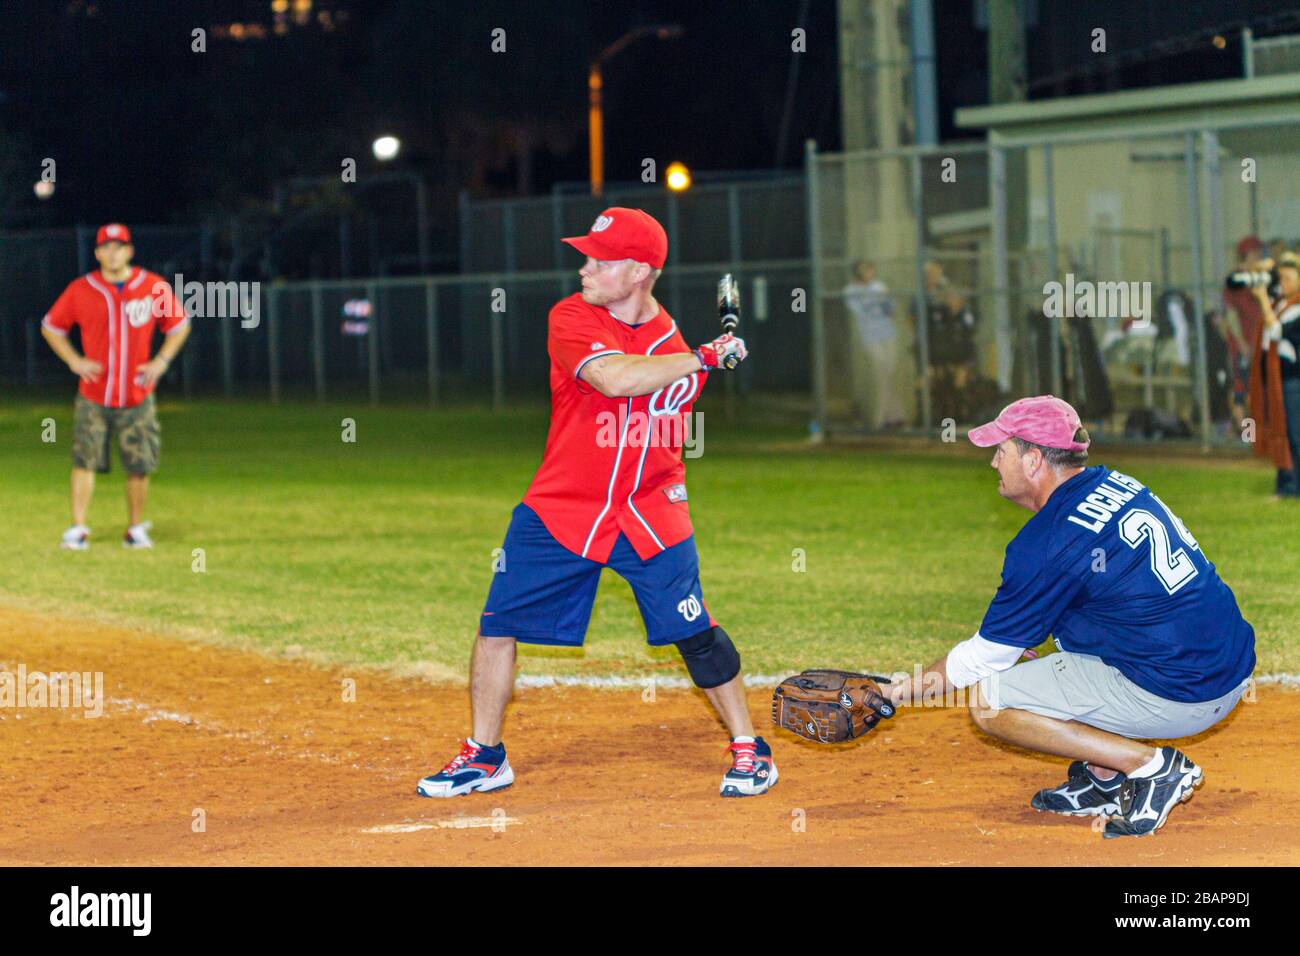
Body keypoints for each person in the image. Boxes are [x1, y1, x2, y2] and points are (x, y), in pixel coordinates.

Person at [417, 207, 776, 799]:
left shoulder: (671, 341)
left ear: (638, 271)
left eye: (599, 260)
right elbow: (614, 378)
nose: (584, 268)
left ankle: (748, 746)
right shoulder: (571, 317)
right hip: (563, 504)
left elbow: (665, 416)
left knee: (694, 633)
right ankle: (484, 756)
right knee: (497, 623)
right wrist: (707, 357)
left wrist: (697, 358)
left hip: (649, 508)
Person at [881, 395, 1256, 838]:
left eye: (1001, 451)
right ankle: (1103, 782)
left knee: (989, 701)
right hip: (1224, 665)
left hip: (1184, 691)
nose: (993, 463)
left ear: (1034, 459)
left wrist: (895, 692)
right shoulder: (1115, 483)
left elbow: (980, 660)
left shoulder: (1047, 543)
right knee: (1046, 658)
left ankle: (1152, 768)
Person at [40, 224, 191, 550]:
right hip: (94, 393)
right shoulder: (81, 289)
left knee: (140, 463)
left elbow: (179, 325)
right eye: (106, 247)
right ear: (96, 254)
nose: (112, 252)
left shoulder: (152, 286)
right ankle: (78, 528)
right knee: (84, 460)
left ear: (130, 251)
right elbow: (51, 326)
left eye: (118, 246)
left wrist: (162, 361)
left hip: (137, 394)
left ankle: (135, 529)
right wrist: (73, 360)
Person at [1251, 252, 1300, 498]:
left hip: (1292, 380)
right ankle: (1285, 485)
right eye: (1282, 278)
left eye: (1289, 278)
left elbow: (1278, 332)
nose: (1284, 283)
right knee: (1281, 431)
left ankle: (1292, 487)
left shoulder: (1297, 307)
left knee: (1293, 434)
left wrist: (1262, 301)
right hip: (1275, 380)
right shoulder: (1281, 302)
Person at [843, 260, 903, 428]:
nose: (869, 272)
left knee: (887, 375)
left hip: (888, 333)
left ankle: (895, 417)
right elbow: (862, 312)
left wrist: (885, 300)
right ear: (857, 272)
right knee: (882, 373)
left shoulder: (879, 286)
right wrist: (877, 301)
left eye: (870, 269)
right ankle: (881, 419)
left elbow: (890, 308)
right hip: (870, 336)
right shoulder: (850, 290)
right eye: (865, 270)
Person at [917, 260, 978, 423]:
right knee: (938, 383)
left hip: (962, 356)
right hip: (943, 357)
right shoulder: (942, 315)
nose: (952, 301)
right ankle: (936, 419)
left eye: (956, 298)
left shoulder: (966, 316)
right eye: (950, 298)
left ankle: (963, 417)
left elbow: (968, 339)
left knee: (960, 383)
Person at [1222, 236, 1267, 425]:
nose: (1259, 257)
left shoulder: (1257, 278)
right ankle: (1247, 435)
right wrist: (1241, 343)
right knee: (1242, 389)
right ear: (1247, 255)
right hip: (1243, 343)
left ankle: (1259, 433)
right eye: (1256, 253)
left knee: (1259, 387)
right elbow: (1231, 314)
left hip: (1259, 340)